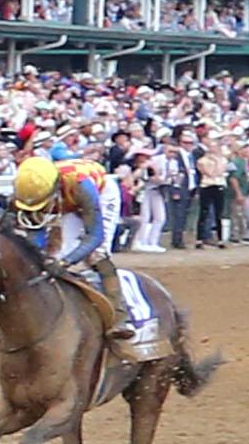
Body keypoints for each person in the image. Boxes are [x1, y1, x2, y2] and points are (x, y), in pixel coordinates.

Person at [9, 154, 165, 367]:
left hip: (101, 194)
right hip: (66, 199)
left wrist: (65, 263)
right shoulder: (29, 191)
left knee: (96, 255)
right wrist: (40, 259)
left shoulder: (82, 187)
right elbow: (35, 233)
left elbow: (95, 236)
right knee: (57, 253)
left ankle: (120, 318)